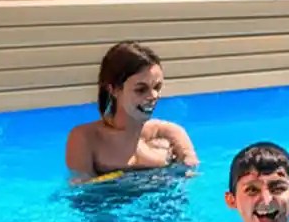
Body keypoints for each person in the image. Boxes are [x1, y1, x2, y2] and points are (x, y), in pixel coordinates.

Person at [64, 41, 198, 183]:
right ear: (114, 89)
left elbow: (192, 177)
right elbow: (79, 192)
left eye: (157, 87)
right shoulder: (86, 139)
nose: (153, 96)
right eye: (141, 89)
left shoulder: (171, 134)